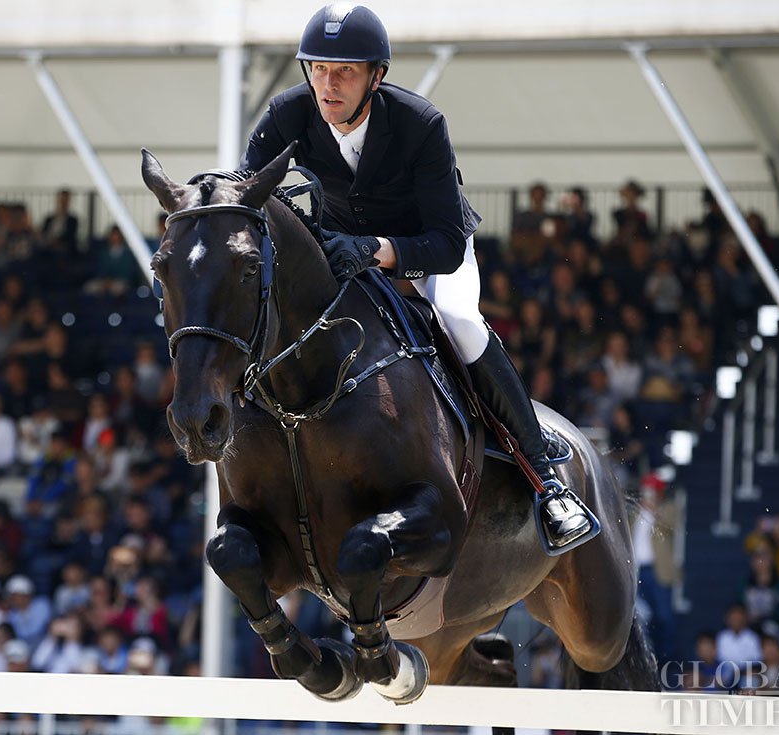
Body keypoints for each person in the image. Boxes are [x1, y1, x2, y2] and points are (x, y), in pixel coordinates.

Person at [240, 3, 597, 553]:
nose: (327, 85)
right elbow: (248, 196)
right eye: (317, 69)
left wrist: (377, 251)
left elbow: (447, 244)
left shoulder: (420, 124)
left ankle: (546, 479)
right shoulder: (287, 113)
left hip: (426, 250)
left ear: (375, 76)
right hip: (339, 252)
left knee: (458, 318)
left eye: (344, 72)